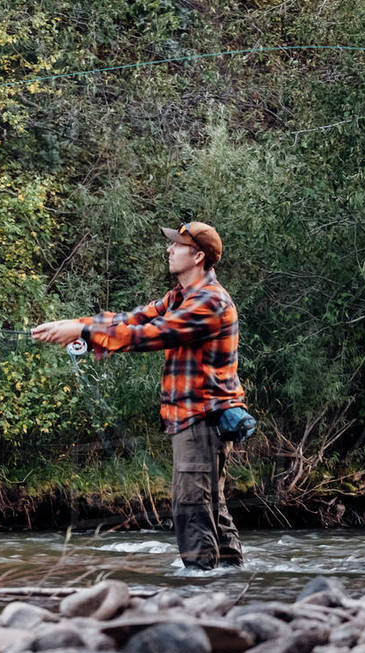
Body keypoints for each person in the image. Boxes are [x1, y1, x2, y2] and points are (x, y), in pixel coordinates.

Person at [30, 222, 248, 569]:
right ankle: (228, 577)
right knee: (209, 503)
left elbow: (151, 334)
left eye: (177, 245)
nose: (169, 249)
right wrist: (76, 327)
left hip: (203, 419)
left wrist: (85, 330)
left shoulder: (210, 301)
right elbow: (132, 319)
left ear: (198, 255)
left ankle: (203, 587)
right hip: (191, 419)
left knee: (191, 505)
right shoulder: (179, 297)